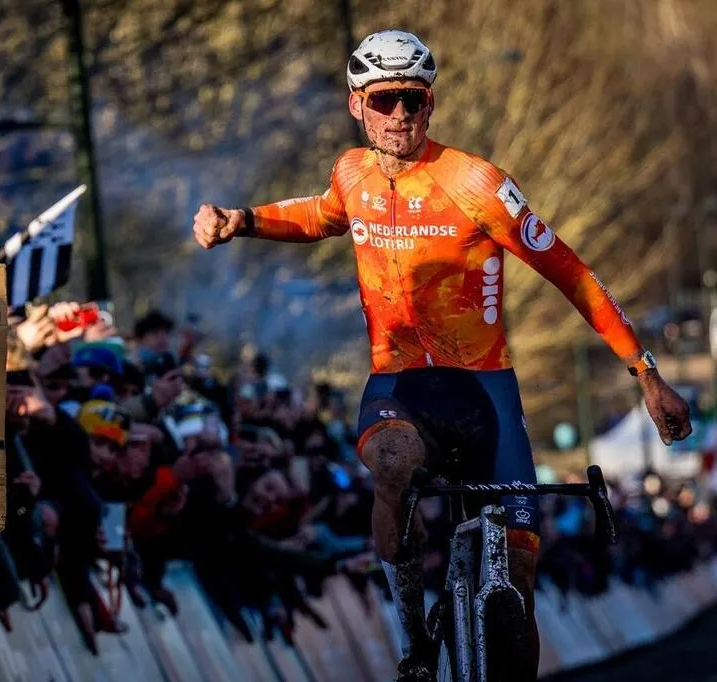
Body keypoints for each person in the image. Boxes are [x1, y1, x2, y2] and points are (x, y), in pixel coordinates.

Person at [192, 29, 692, 681]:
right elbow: (320, 214)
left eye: (415, 100)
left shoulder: (476, 182)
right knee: (393, 469)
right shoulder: (352, 173)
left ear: (430, 104)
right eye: (387, 99)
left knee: (520, 574)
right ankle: (414, 642)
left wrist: (646, 373)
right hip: (400, 388)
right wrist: (243, 219)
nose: (401, 114)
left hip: (485, 390)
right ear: (357, 106)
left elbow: (571, 273)